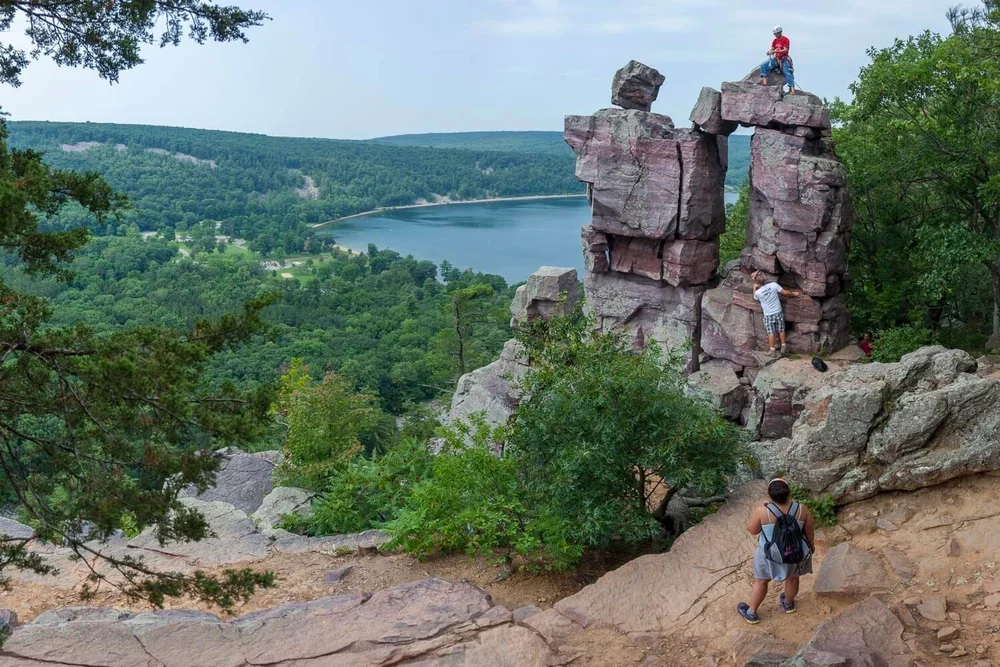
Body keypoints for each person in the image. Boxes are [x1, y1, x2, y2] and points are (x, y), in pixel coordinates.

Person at [737, 479, 815, 624]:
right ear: (788, 492)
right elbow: (809, 530)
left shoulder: (762, 511)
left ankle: (751, 612)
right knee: (793, 578)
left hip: (769, 555)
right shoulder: (802, 509)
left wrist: (766, 511)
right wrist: (811, 546)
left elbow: (752, 530)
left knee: (762, 581)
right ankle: (788, 603)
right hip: (794, 552)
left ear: (769, 494)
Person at [751, 271, 801, 354]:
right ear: (765, 280)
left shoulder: (758, 293)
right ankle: (783, 347)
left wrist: (754, 288)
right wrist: (793, 294)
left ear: (757, 283)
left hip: (768, 315)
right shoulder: (773, 285)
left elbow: (755, 298)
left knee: (771, 333)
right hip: (778, 312)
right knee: (781, 330)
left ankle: (772, 351)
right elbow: (785, 292)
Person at [760, 25, 796, 94]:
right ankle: (764, 83)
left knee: (787, 72)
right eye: (774, 34)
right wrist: (770, 51)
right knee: (763, 65)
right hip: (776, 59)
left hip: (784, 59)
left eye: (776, 33)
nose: (775, 35)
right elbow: (772, 48)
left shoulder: (785, 40)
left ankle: (792, 88)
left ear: (780, 32)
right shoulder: (775, 40)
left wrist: (775, 51)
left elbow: (785, 50)